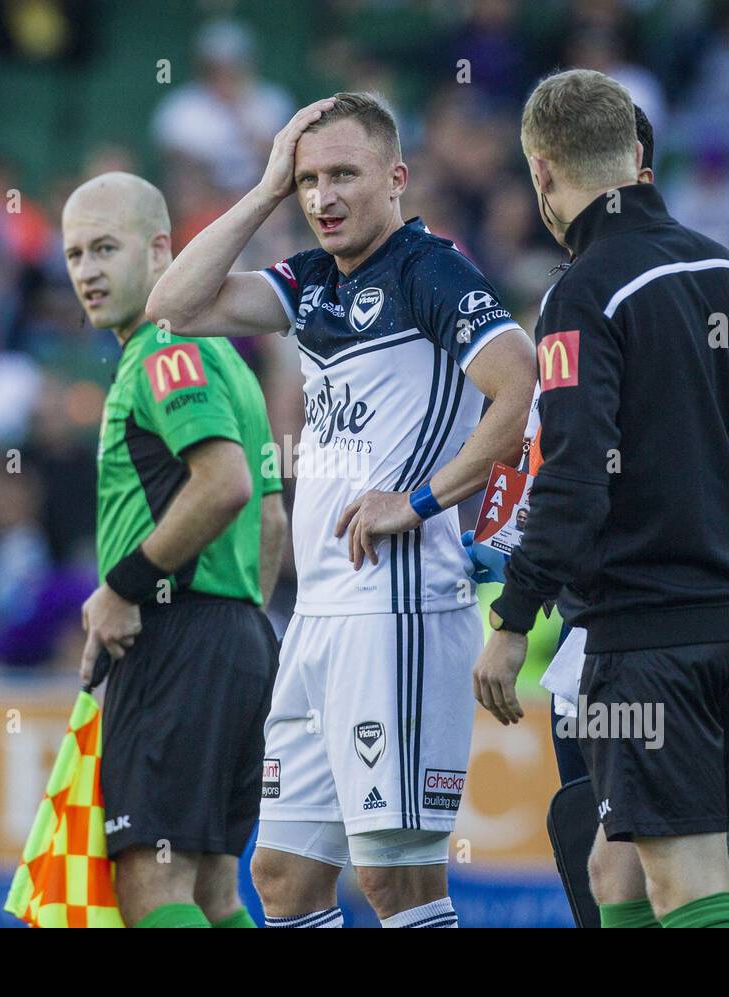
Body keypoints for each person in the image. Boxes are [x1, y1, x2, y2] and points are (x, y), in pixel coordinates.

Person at [148, 93, 537, 928]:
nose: (323, 197)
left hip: (396, 607)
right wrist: (261, 191)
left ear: (396, 179)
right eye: (310, 180)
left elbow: (521, 378)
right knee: (284, 875)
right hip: (321, 612)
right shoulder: (313, 282)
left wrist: (423, 500)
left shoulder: (428, 269)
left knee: (398, 879)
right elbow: (171, 309)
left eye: (345, 177)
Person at [471, 70, 729, 929]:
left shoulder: (582, 292)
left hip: (649, 634)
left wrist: (514, 621)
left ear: (542, 174)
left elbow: (576, 475)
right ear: (637, 159)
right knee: (615, 869)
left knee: (685, 880)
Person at [63, 172, 289, 928]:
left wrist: (124, 588)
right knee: (213, 894)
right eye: (73, 255)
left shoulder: (163, 345)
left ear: (162, 249)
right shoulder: (229, 356)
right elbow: (271, 518)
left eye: (105, 248)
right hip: (241, 642)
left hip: (176, 638)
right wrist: (235, 628)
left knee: (151, 890)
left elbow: (222, 484)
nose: (86, 271)